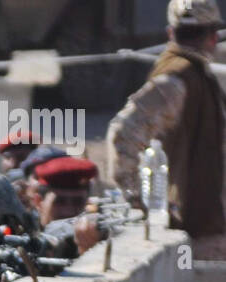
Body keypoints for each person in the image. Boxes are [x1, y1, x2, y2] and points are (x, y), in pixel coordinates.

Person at [107, 0, 226, 260]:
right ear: (213, 37)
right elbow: (122, 135)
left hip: (203, 228)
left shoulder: (196, 76)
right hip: (192, 235)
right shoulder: (175, 81)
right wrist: (140, 203)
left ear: (170, 33)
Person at [27, 156, 103, 256]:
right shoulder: (25, 237)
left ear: (87, 203)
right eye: (60, 201)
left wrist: (89, 251)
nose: (69, 210)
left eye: (77, 201)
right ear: (38, 202)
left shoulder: (94, 238)